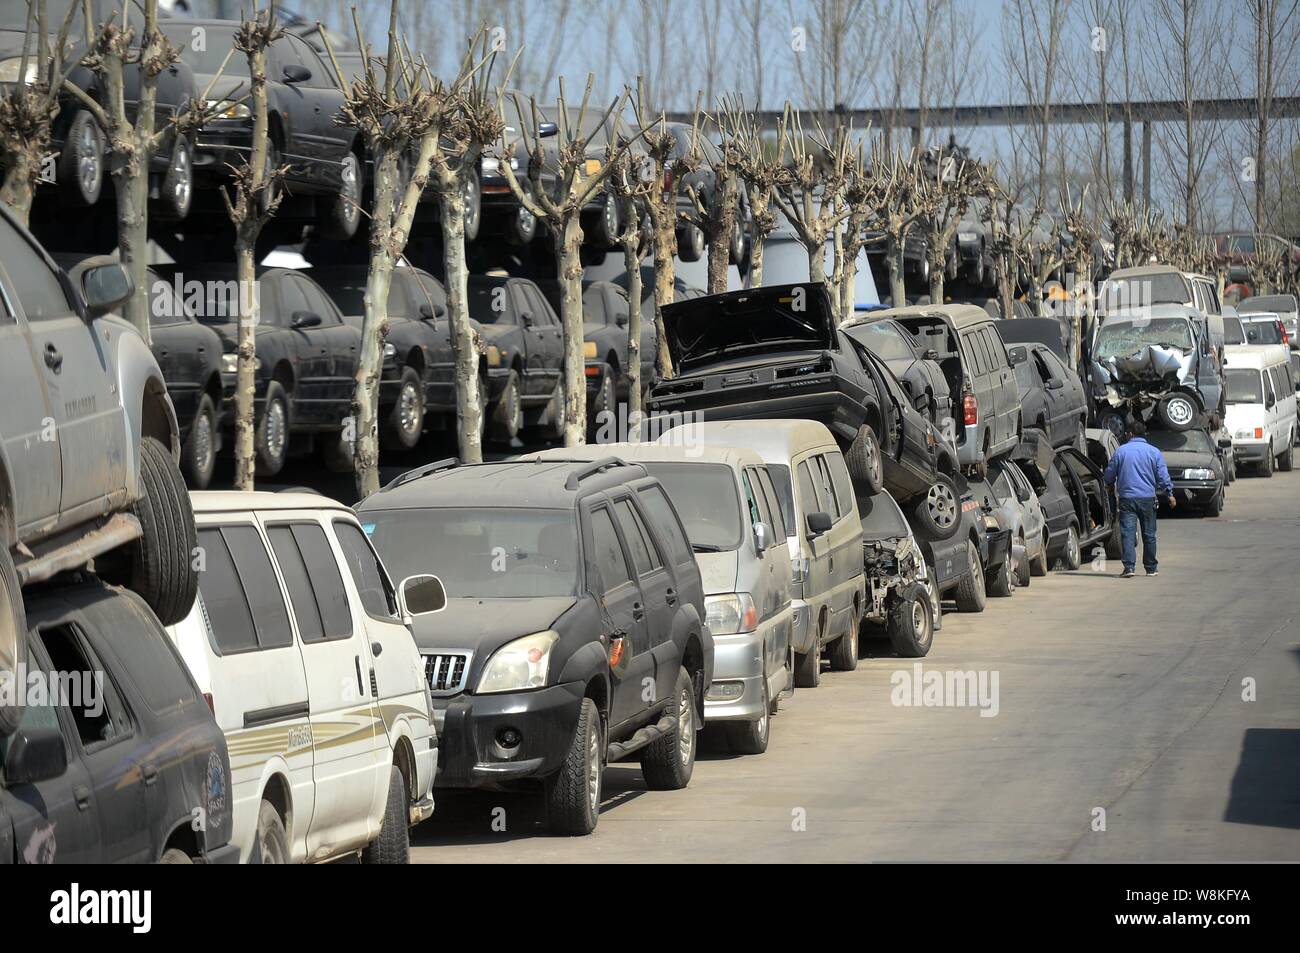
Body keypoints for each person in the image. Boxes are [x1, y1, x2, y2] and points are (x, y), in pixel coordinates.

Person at [1103, 420, 1176, 578]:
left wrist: (1109, 484)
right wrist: (1169, 494)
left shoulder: (1121, 451)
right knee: (1149, 534)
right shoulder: (1154, 452)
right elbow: (1162, 476)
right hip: (1148, 499)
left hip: (1127, 499)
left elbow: (1109, 473)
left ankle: (1129, 568)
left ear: (1129, 434)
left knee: (1128, 534)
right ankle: (1151, 568)